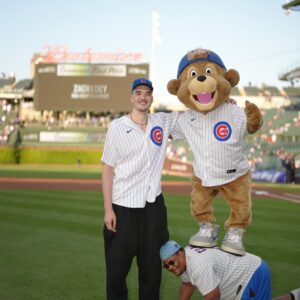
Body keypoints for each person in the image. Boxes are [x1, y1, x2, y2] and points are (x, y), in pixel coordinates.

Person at [101, 78, 179, 300]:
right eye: (138, 92)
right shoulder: (117, 127)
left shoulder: (162, 122)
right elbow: (107, 169)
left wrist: (222, 105)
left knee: (152, 274)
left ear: (151, 98)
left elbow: (193, 117)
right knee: (116, 275)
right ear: (131, 97)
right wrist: (108, 210)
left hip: (153, 209)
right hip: (122, 208)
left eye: (147, 93)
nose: (143, 97)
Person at [160, 240, 300, 300]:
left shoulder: (198, 265)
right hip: (241, 277)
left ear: (180, 253)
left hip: (250, 275)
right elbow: (187, 284)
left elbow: (213, 295)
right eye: (166, 266)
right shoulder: (186, 260)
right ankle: (295, 296)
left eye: (172, 262)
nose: (171, 268)